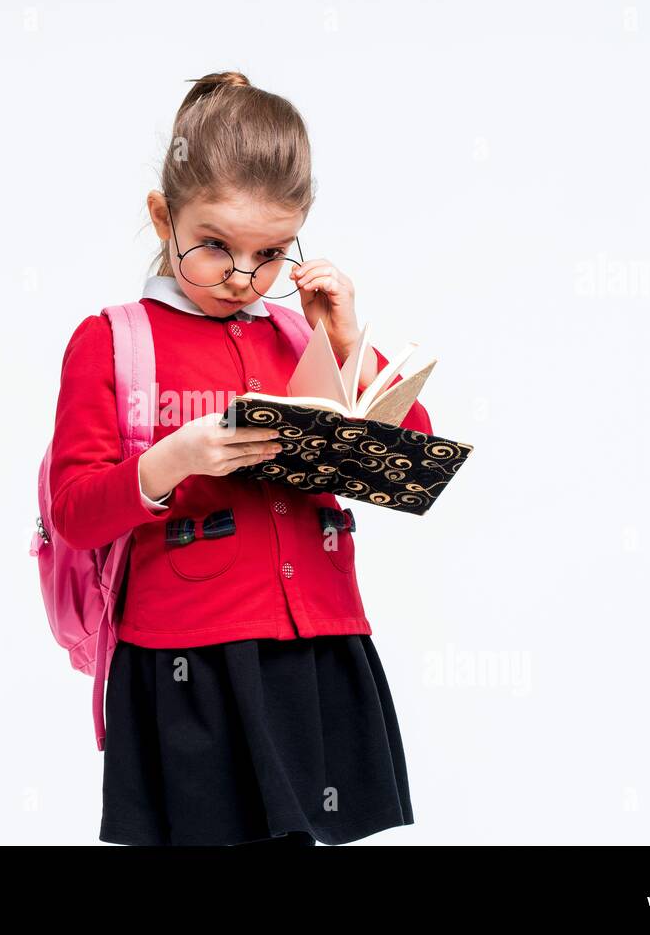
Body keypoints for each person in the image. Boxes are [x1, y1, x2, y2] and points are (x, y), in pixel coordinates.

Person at [48, 70, 433, 847]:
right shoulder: (112, 339)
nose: (240, 277)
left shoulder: (301, 336)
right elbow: (74, 513)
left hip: (317, 642)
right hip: (190, 660)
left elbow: (411, 455)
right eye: (215, 245)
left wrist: (348, 342)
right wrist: (171, 460)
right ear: (165, 216)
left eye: (270, 255)